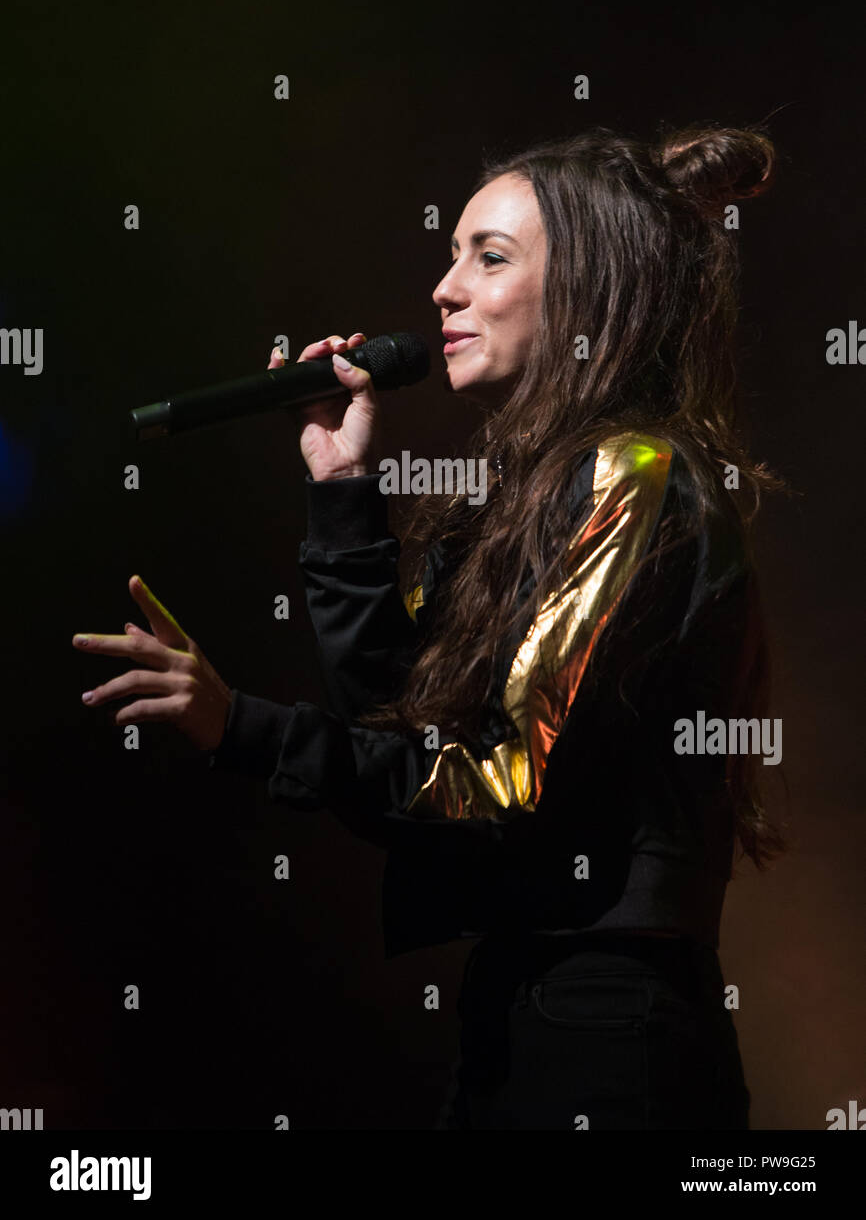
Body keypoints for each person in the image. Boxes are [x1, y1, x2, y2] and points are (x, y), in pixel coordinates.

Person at [73, 124, 787, 1130]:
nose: (443, 289)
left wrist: (244, 728)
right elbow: (398, 728)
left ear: (589, 291)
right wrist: (342, 491)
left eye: (486, 258)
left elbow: (500, 783)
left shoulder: (634, 477)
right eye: (450, 255)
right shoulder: (524, 499)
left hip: (609, 1034)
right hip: (518, 1016)